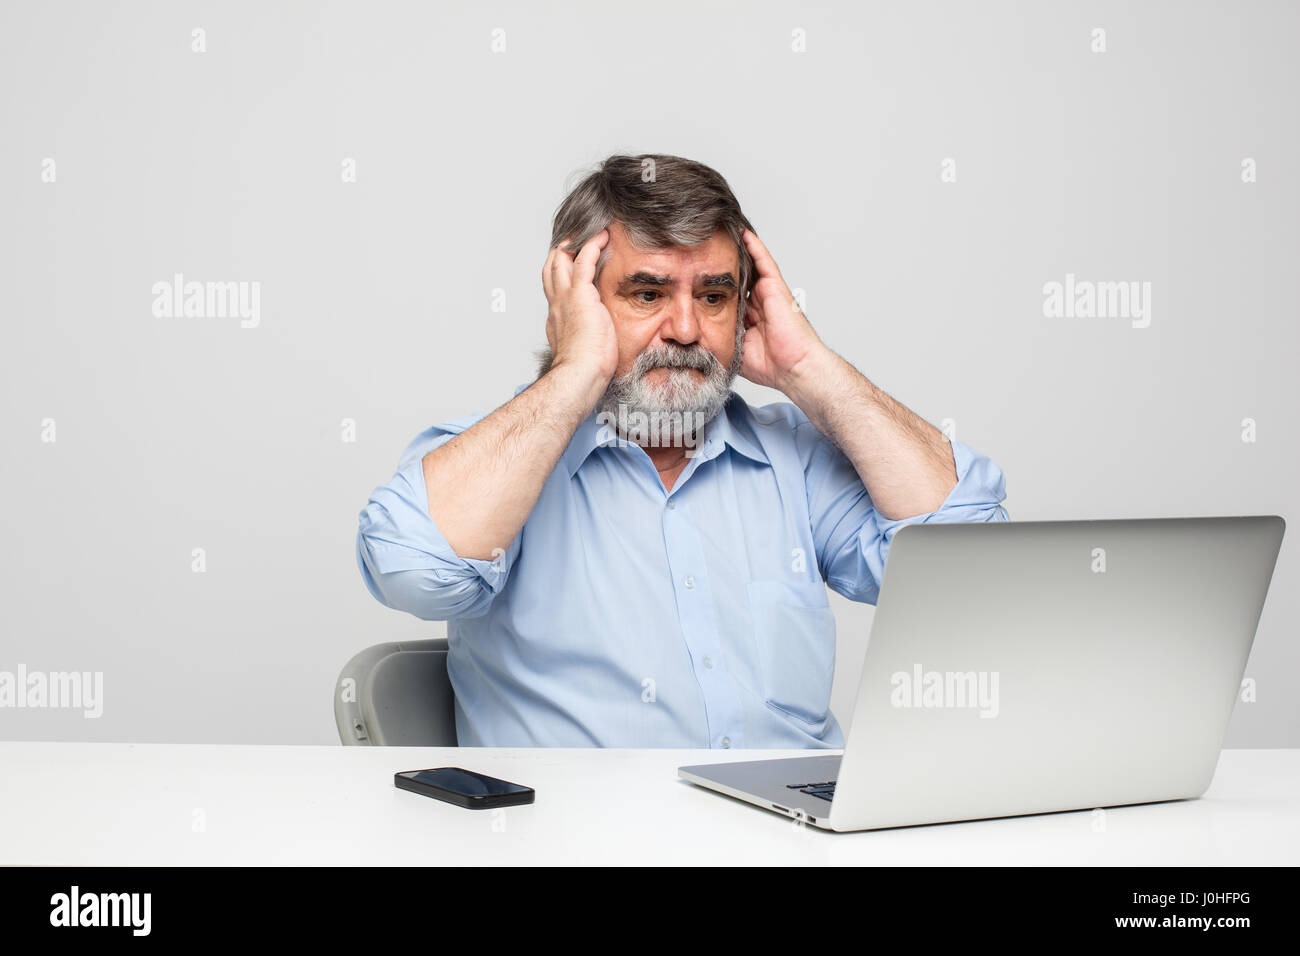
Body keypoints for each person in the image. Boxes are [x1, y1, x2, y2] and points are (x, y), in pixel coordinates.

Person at [357, 154, 1009, 748]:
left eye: (715, 296)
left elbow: (973, 568)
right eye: (647, 294)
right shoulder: (503, 466)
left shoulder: (795, 460)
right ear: (577, 302)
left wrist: (808, 366)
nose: (688, 329)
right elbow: (413, 571)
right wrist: (577, 369)